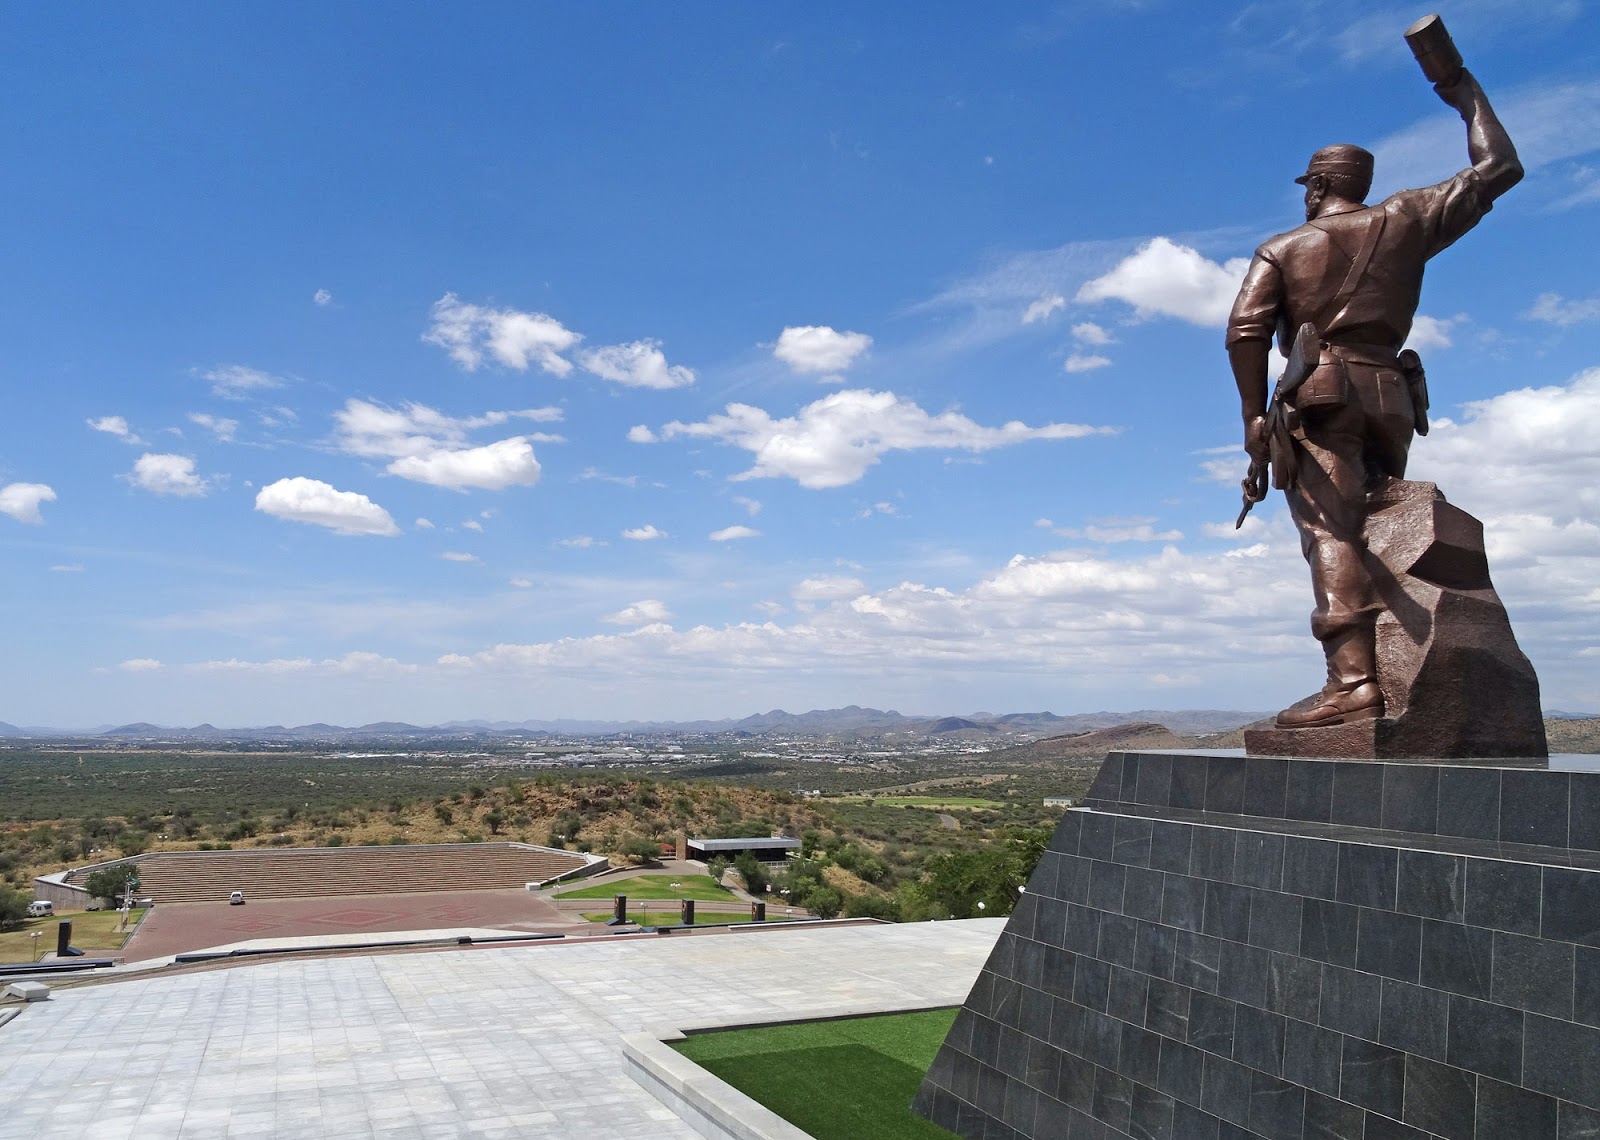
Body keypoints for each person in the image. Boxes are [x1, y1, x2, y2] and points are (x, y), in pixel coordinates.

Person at [1226, 67, 1521, 729]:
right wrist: (1462, 89)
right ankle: (1391, 670)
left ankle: (1354, 682)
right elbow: (1500, 166)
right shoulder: (1407, 219)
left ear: (1318, 187)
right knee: (1380, 527)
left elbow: (1245, 331)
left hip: (1322, 399)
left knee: (1332, 532)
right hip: (1392, 394)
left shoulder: (1283, 248)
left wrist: (1251, 416)